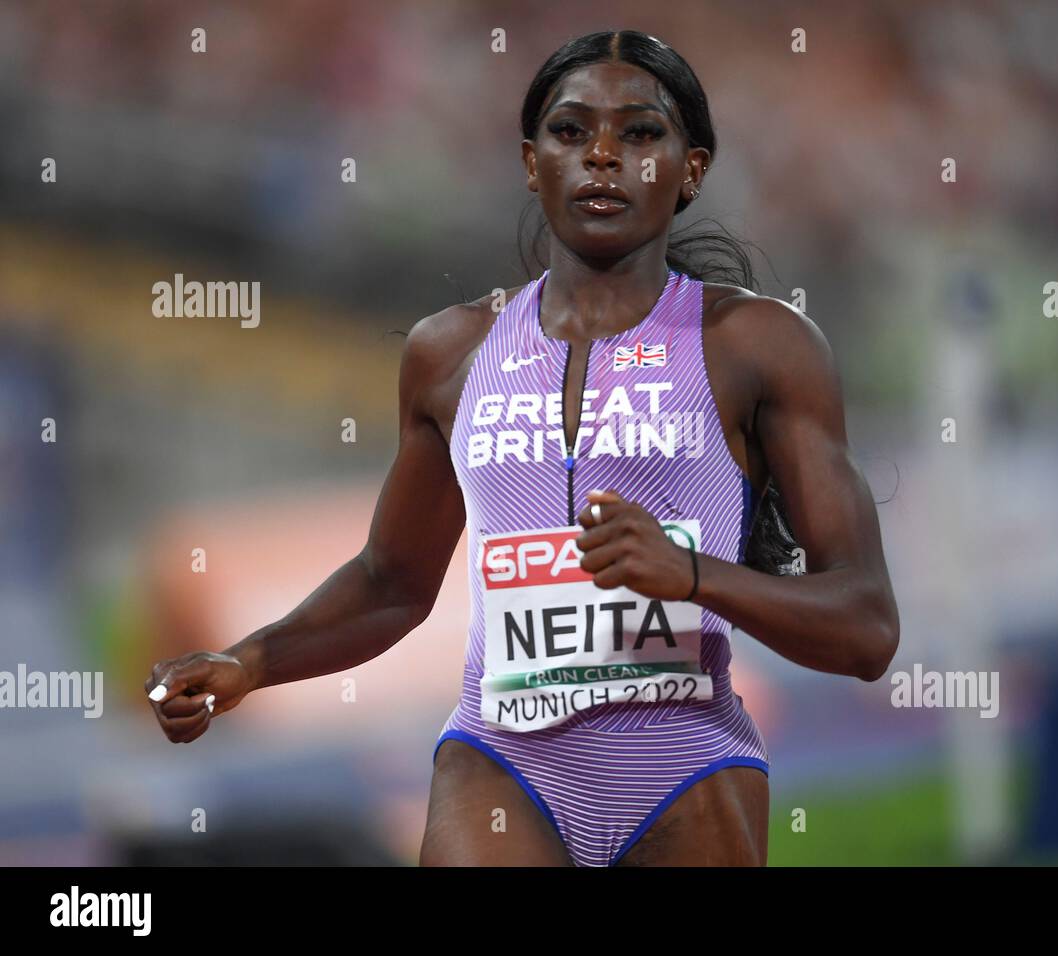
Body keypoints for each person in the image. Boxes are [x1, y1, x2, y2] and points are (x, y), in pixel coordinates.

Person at [144, 29, 900, 867]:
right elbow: (392, 584)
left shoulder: (760, 345)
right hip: (502, 758)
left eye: (640, 132)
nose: (603, 156)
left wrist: (691, 577)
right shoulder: (448, 353)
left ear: (691, 169)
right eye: (571, 131)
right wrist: (250, 661)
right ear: (531, 163)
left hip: (683, 765)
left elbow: (866, 629)